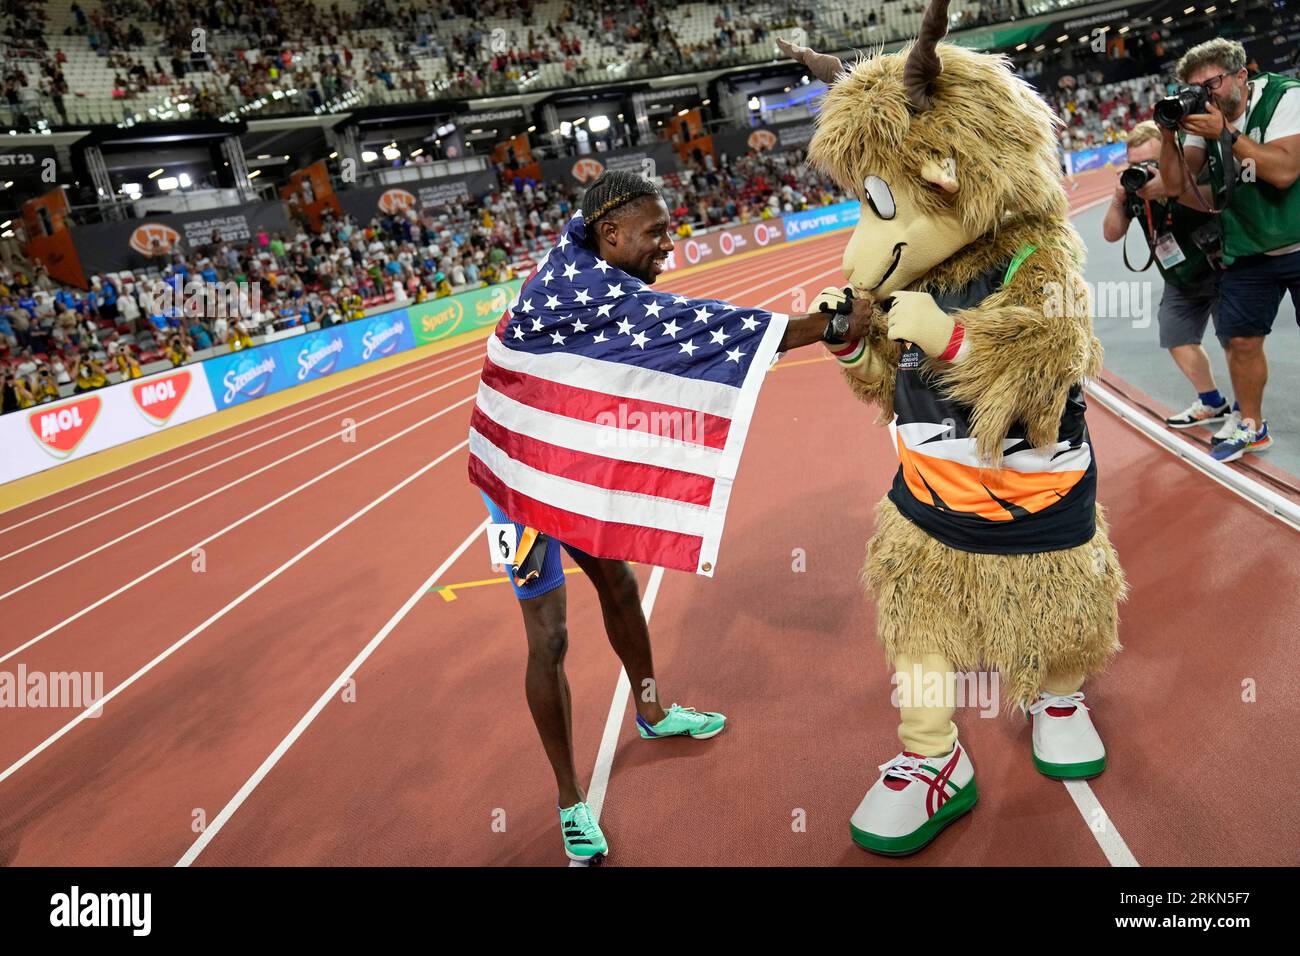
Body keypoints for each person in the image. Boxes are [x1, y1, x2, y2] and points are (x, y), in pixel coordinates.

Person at [469, 170, 874, 863]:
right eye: (655, 233)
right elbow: (706, 330)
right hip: (518, 477)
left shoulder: (589, 260)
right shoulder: (583, 284)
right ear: (610, 234)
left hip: (569, 452)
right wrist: (830, 326)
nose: (668, 246)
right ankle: (570, 800)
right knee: (550, 638)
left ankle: (651, 710)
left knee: (619, 585)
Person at [1159, 38, 1300, 462]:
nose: (1207, 94)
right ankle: (1252, 427)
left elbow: (1283, 172)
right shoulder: (1204, 120)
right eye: (1197, 87)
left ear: (1242, 76)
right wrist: (1169, 137)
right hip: (1247, 247)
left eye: (1214, 82)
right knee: (1240, 340)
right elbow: (1175, 187)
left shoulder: (1284, 96)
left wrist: (1226, 132)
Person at [1102, 121, 1231, 431]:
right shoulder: (1135, 192)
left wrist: (1171, 186)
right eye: (1134, 164)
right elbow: (1110, 233)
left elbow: (1218, 201)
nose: (1143, 170)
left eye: (1150, 163)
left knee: (1236, 342)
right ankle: (1212, 402)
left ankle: (1245, 412)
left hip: (1218, 268)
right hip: (1179, 277)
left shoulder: (1190, 176)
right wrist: (1119, 197)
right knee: (1176, 336)